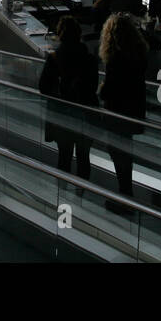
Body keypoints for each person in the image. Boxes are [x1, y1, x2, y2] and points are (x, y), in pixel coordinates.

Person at [38, 17, 99, 180]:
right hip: (85, 116)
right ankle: (81, 195)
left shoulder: (54, 59)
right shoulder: (90, 60)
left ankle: (63, 194)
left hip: (62, 116)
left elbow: (43, 88)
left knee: (63, 158)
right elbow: (92, 88)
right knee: (83, 159)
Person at [99, 13, 148, 208]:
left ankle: (125, 195)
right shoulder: (138, 54)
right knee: (125, 153)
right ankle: (126, 192)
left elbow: (108, 91)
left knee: (118, 153)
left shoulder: (115, 59)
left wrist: (102, 90)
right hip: (134, 111)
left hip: (117, 114)